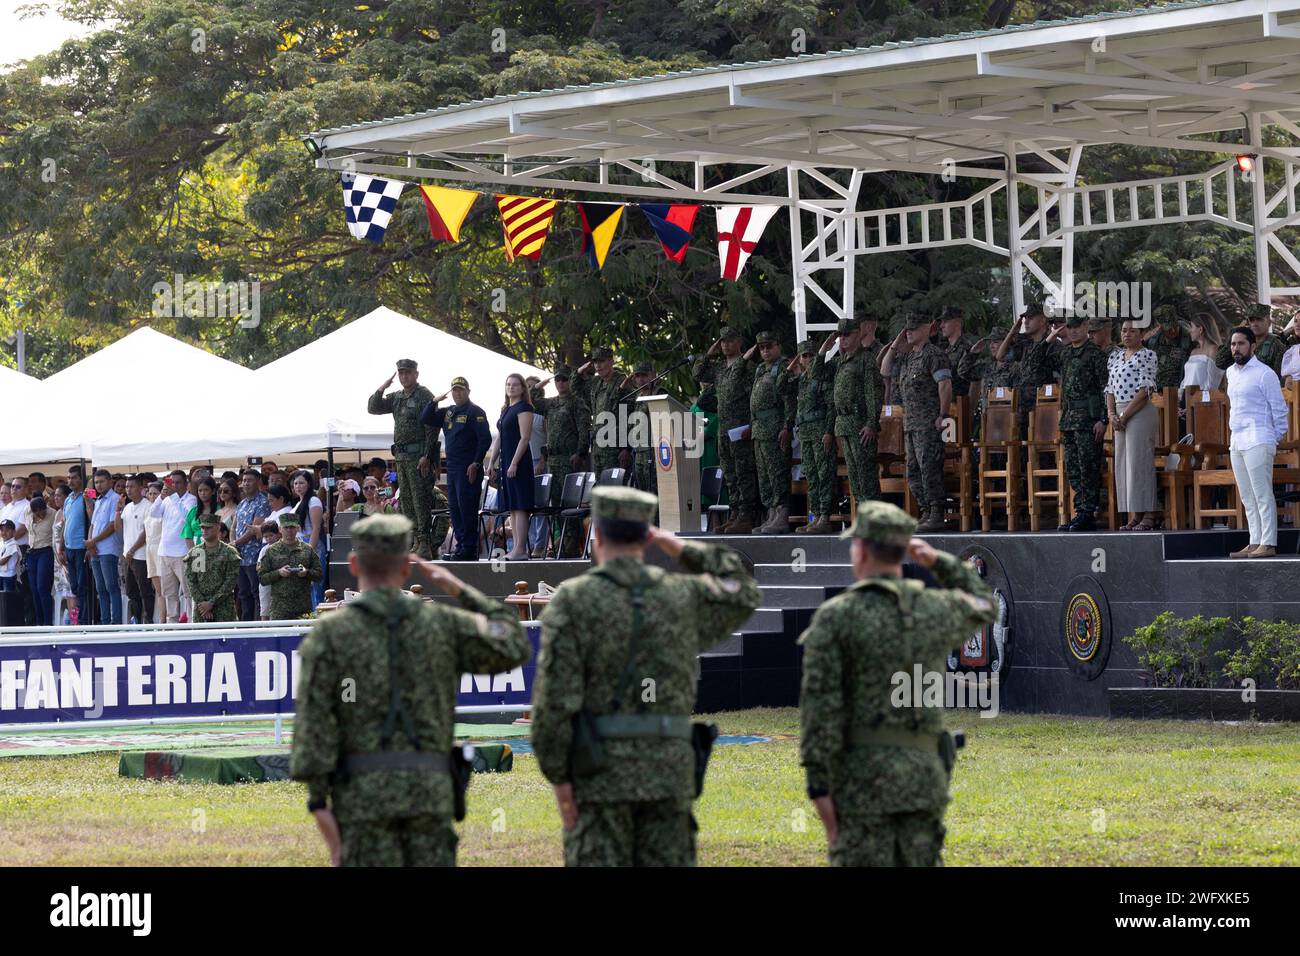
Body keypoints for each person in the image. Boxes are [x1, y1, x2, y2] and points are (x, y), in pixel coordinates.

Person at [531, 486, 761, 866]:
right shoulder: (681, 595)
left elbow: (553, 704)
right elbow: (741, 588)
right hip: (667, 773)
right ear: (647, 537)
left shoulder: (572, 601)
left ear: (597, 534)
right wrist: (679, 547)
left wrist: (560, 780)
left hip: (598, 773)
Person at [290, 513, 530, 867]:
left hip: (361, 801)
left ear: (354, 564)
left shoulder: (329, 635)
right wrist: (456, 587)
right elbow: (512, 641)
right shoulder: (443, 624)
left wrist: (324, 817)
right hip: (428, 797)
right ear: (407, 567)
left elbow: (311, 739)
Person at [798, 500, 995, 866]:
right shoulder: (934, 608)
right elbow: (985, 604)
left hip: (861, 783)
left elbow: (818, 715)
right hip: (923, 779)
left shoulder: (835, 618)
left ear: (861, 550)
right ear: (903, 551)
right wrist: (939, 561)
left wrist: (820, 791)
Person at [882, 313, 953, 532]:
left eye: (913, 328)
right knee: (913, 471)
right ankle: (925, 511)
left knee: (929, 468)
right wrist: (895, 343)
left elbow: (945, 385)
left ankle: (936, 512)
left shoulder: (934, 355)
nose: (908, 332)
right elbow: (884, 370)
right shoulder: (908, 357)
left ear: (927, 329)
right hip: (911, 425)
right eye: (906, 329)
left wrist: (943, 414)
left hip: (930, 424)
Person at [1225, 326, 1290, 558]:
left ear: (1252, 346)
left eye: (1241, 343)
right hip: (1238, 441)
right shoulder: (1230, 373)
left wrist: (1274, 438)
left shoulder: (1265, 373)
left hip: (1259, 438)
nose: (1236, 348)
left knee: (1262, 494)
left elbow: (1280, 410)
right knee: (1247, 496)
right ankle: (1255, 541)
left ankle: (1269, 543)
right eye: (1233, 344)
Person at [367, 358, 440, 559]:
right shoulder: (397, 396)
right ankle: (415, 539)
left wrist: (427, 455)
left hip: (418, 457)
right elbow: (373, 407)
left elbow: (432, 427)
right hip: (401, 457)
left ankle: (424, 541)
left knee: (420, 499)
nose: (404, 376)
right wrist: (383, 387)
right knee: (406, 501)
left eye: (408, 372)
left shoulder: (424, 394)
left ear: (416, 374)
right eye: (401, 373)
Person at [693, 327, 761, 533]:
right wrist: (709, 354)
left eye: (730, 341)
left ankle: (746, 515)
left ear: (739, 341)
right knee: (730, 474)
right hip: (724, 429)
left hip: (741, 428)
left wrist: (751, 424)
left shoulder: (748, 367)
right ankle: (734, 513)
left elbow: (754, 399)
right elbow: (698, 373)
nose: (725, 345)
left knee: (743, 472)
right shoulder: (720, 368)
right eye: (722, 341)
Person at [419, 376, 493, 561]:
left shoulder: (475, 411)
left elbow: (485, 440)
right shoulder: (449, 412)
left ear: (468, 391)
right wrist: (434, 401)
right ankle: (461, 547)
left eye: (461, 389)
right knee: (455, 508)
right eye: (454, 390)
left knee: (466, 507)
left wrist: (476, 462)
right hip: (451, 467)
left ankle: (468, 548)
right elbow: (425, 417)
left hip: (468, 467)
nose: (457, 393)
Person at [816, 316, 884, 510]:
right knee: (854, 476)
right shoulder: (840, 362)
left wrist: (871, 423)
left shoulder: (866, 358)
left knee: (866, 474)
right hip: (844, 424)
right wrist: (824, 350)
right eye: (840, 335)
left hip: (860, 423)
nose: (843, 339)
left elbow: (873, 392)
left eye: (847, 334)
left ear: (858, 334)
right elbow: (816, 373)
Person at [1049, 315, 1110, 532]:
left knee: (1088, 467)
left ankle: (1087, 512)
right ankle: (1079, 511)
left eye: (1078, 327)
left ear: (1086, 327)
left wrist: (1103, 419)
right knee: (1073, 468)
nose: (1073, 332)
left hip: (1088, 419)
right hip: (1069, 419)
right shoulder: (1065, 354)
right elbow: (1039, 360)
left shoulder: (1095, 354)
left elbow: (1106, 387)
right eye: (1070, 328)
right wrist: (1051, 336)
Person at [529, 365, 592, 556]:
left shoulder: (576, 402)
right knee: (555, 503)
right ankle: (563, 538)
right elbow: (531, 399)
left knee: (570, 503)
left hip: (569, 458)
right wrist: (540, 384)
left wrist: (580, 453)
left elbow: (584, 429)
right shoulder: (551, 403)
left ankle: (572, 540)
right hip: (553, 459)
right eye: (557, 380)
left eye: (564, 379)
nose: (560, 383)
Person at [1106, 320, 1160, 531]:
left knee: (1139, 461)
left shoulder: (1147, 355)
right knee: (1124, 464)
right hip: (1119, 412)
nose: (1127, 334)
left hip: (1138, 410)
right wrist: (1111, 414)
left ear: (1142, 334)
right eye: (1124, 330)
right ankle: (1135, 513)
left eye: (1133, 331)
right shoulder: (1115, 356)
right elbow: (1109, 388)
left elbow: (1145, 389)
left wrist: (1125, 415)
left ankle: (1149, 513)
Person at [747, 332, 795, 534]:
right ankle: (771, 514)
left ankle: (782, 515)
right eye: (761, 347)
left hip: (775, 427)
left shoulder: (783, 367)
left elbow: (789, 400)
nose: (765, 350)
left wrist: (787, 427)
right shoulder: (760, 369)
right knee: (765, 476)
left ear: (778, 346)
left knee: (777, 473)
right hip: (759, 429)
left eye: (769, 346)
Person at [785, 340, 836, 534]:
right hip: (806, 433)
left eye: (811, 355)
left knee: (824, 475)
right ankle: (814, 517)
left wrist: (828, 431)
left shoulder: (823, 377)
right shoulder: (802, 380)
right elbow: (782, 386)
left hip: (820, 432)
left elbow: (831, 406)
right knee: (812, 477)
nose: (807, 359)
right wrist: (792, 365)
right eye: (804, 356)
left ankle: (825, 516)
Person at [996, 300, 1062, 440]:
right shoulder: (1024, 343)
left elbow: (1060, 377)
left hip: (1044, 406)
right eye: (1025, 318)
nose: (1026, 321)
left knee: (1043, 452)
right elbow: (1000, 356)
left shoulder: (1053, 345)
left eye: (1030, 318)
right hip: (1022, 405)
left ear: (1043, 319)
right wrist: (1012, 332)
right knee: (1022, 452)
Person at [487, 373, 536, 561]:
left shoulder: (524, 408)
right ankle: (515, 547)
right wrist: (491, 462)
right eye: (508, 384)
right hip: (506, 463)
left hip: (519, 463)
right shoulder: (506, 409)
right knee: (512, 507)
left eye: (516, 385)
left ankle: (520, 549)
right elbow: (499, 438)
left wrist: (515, 462)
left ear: (523, 388)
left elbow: (525, 438)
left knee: (520, 506)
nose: (511, 387)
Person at [573, 346, 632, 477]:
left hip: (615, 449)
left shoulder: (622, 382)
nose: (598, 366)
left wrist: (626, 448)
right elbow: (575, 388)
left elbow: (629, 415)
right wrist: (579, 371)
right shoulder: (596, 383)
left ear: (611, 361)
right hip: (598, 448)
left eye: (601, 361)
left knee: (615, 491)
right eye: (595, 362)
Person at [151, 470, 197, 623]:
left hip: (182, 553)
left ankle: (192, 622)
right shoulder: (167, 499)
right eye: (172, 482)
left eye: (178, 482)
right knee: (169, 593)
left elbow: (186, 517)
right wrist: (161, 496)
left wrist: (173, 497)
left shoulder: (191, 499)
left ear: (186, 483)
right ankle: (172, 624)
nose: (174, 485)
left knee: (188, 592)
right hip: (164, 552)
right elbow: (154, 513)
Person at [257, 512, 322, 620]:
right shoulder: (271, 551)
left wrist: (306, 572)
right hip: (280, 609)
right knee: (280, 637)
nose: (289, 531)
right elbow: (262, 578)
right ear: (280, 529)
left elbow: (319, 574)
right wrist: (278, 573)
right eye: (286, 527)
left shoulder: (307, 549)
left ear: (297, 528)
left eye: (292, 527)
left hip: (303, 608)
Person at [182, 513, 241, 622]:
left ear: (218, 527)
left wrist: (211, 603)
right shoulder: (196, 553)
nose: (204, 530)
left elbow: (230, 582)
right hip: (201, 610)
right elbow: (191, 581)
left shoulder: (229, 552)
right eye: (202, 528)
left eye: (209, 527)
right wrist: (203, 605)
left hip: (224, 609)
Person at [85, 468, 124, 625]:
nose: (99, 485)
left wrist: (93, 541)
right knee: (100, 589)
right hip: (95, 549)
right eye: (96, 482)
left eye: (102, 481)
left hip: (108, 549)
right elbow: (92, 524)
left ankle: (115, 623)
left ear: (110, 482)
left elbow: (111, 526)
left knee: (111, 587)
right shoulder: (99, 500)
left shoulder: (115, 498)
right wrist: (90, 543)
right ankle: (104, 622)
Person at [232, 469, 270, 621]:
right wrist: (233, 542)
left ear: (258, 481)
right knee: (243, 593)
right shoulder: (242, 503)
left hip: (254, 555)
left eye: (250, 480)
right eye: (244, 480)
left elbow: (255, 530)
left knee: (256, 593)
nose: (246, 483)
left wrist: (235, 543)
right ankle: (245, 626)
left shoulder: (263, 502)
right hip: (240, 556)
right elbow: (234, 526)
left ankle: (257, 626)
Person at [120, 475, 156, 626]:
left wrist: (133, 549)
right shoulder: (127, 507)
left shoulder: (147, 506)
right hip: (127, 556)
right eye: (127, 487)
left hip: (140, 556)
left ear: (141, 489)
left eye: (132, 486)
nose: (128, 489)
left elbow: (146, 532)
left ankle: (148, 621)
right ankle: (136, 620)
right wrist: (118, 510)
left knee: (145, 591)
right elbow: (118, 528)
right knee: (131, 592)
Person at [1218, 303, 1285, 381]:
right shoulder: (1241, 343)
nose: (1255, 324)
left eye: (1259, 319)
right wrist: (1235, 334)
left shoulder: (1276, 345)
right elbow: (1220, 363)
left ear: (1269, 322)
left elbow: (1279, 378)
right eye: (1252, 320)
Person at [290, 470, 328, 607]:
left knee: (315, 587)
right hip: (298, 545)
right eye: (295, 483)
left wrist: (308, 552)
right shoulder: (297, 504)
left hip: (312, 545)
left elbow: (316, 528)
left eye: (301, 483)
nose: (298, 486)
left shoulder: (313, 500)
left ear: (309, 484)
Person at [1145, 304, 1196, 389]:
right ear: (1159, 327)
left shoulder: (1189, 339)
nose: (1172, 330)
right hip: (1155, 394)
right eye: (1167, 328)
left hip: (1178, 393)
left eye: (1174, 326)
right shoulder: (1152, 341)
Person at [24, 495, 55, 626]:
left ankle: (47, 623)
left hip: (45, 551)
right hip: (31, 552)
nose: (40, 514)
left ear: (45, 508)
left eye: (42, 511)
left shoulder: (52, 514)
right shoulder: (27, 512)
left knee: (42, 587)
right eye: (36, 512)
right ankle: (39, 622)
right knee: (34, 589)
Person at [1181, 312, 1225, 397]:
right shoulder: (1193, 352)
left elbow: (1213, 383)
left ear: (1200, 329)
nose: (1189, 331)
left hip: (1202, 402)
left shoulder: (1213, 350)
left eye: (1192, 327)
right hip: (1186, 399)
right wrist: (1180, 398)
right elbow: (1186, 379)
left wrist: (1199, 400)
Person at [143, 481, 164, 623]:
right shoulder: (148, 510)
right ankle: (161, 621)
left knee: (166, 590)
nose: (152, 496)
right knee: (158, 591)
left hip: (160, 550)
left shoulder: (164, 509)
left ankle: (166, 621)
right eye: (149, 493)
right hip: (149, 550)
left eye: (155, 493)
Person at [181, 476, 219, 550]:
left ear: (213, 491)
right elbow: (187, 535)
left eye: (206, 490)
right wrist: (194, 553)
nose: (203, 493)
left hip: (216, 550)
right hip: (196, 550)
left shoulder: (220, 509)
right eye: (200, 490)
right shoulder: (193, 511)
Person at [257, 520, 280, 620]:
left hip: (279, 582)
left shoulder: (282, 547)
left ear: (278, 534)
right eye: (266, 537)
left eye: (271, 535)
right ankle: (265, 631)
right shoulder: (264, 549)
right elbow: (258, 566)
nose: (268, 539)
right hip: (266, 583)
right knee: (265, 610)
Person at [0, 520, 18, 592]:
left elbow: (2, 562)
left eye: (7, 530)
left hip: (8, 576)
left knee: (7, 599)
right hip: (1, 575)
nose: (4, 532)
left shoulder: (13, 545)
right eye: (2, 530)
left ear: (13, 532)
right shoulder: (2, 543)